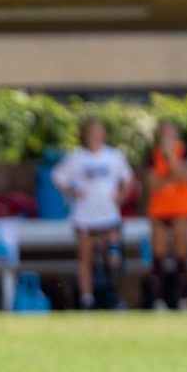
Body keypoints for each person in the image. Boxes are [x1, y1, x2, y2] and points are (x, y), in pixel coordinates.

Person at [53, 118, 134, 309]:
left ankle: (112, 295)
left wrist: (121, 196)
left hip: (109, 215)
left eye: (99, 131)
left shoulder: (114, 156)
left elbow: (129, 179)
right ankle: (87, 299)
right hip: (85, 216)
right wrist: (72, 192)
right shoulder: (76, 157)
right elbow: (57, 177)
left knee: (113, 257)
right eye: (92, 132)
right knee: (85, 258)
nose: (96, 136)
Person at [145, 121, 187, 310]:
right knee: (158, 255)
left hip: (181, 209)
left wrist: (171, 159)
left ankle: (184, 298)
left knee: (181, 254)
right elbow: (153, 184)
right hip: (159, 210)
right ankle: (158, 300)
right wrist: (173, 176)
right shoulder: (152, 154)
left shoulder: (186, 151)